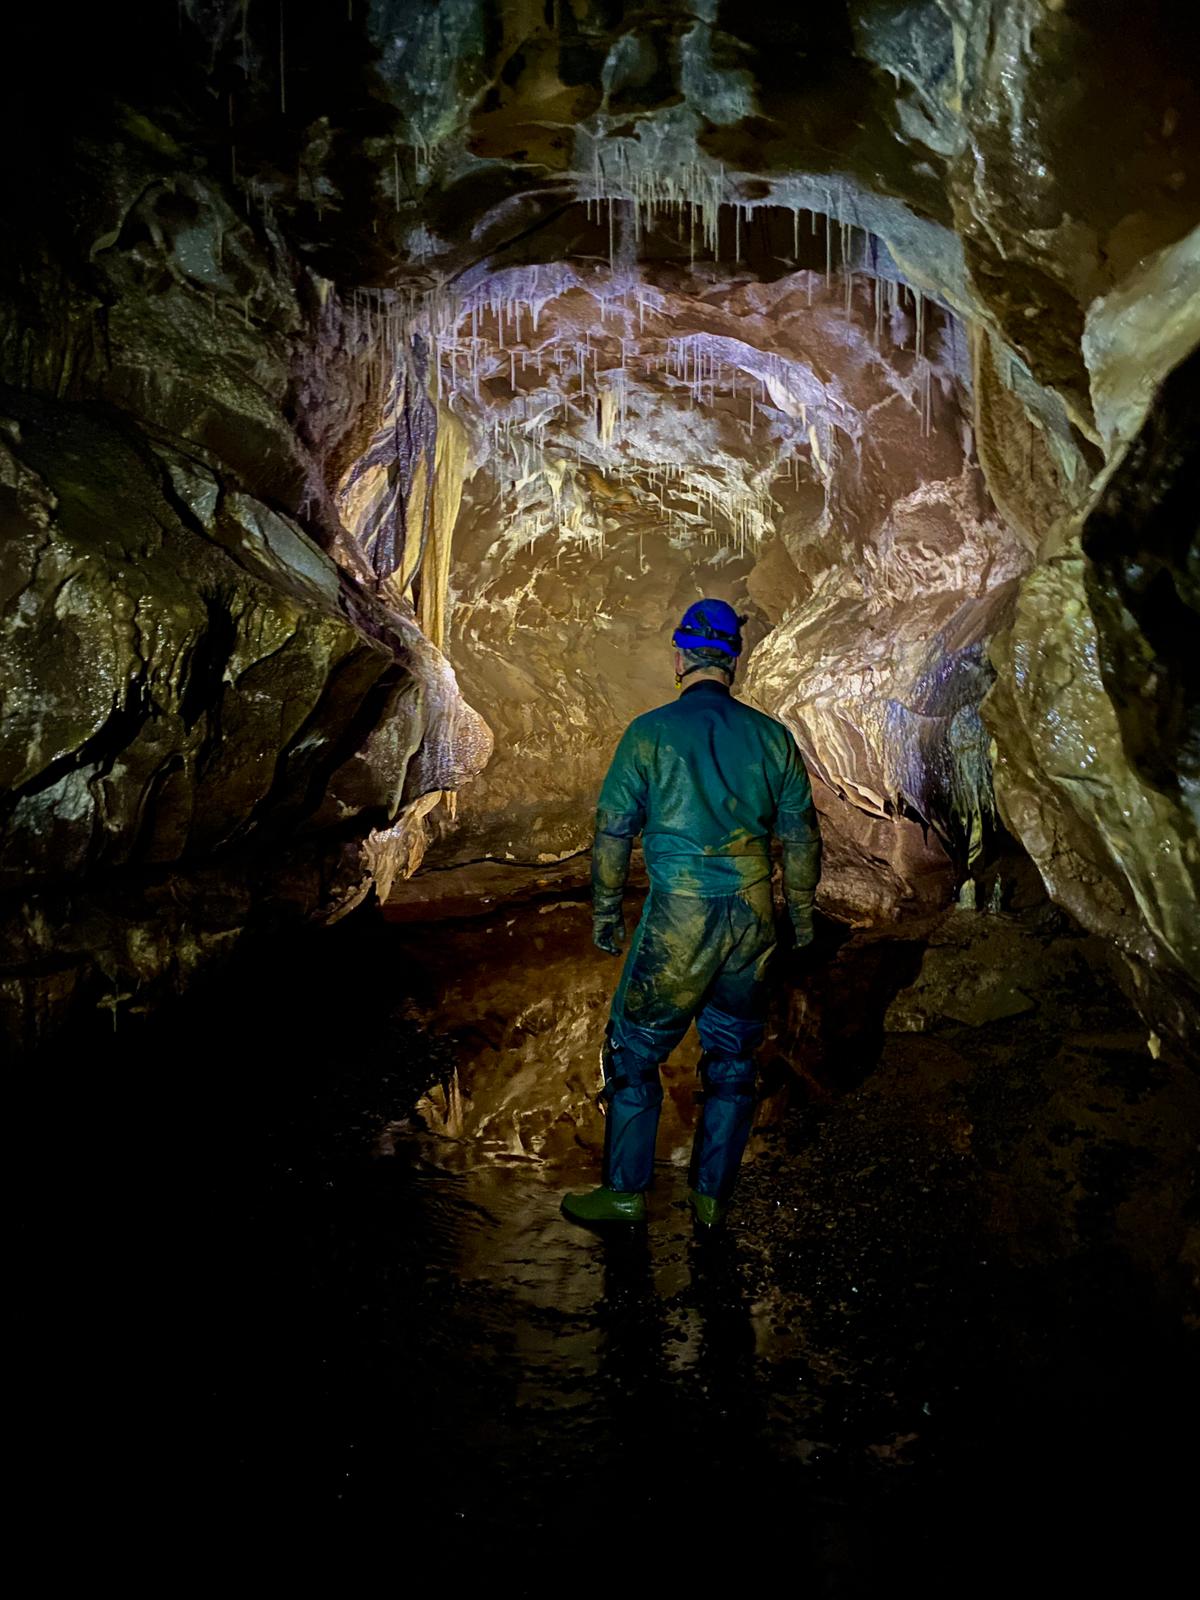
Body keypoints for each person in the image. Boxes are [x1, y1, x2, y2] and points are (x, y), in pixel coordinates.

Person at [562, 598, 822, 1230]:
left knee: (633, 1054)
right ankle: (711, 1199)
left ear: (678, 657)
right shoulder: (772, 738)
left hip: (682, 912)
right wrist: (804, 917)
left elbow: (613, 833)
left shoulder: (650, 733)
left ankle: (626, 1194)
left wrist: (604, 911)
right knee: (734, 1058)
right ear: (734, 661)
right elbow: (802, 837)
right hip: (754, 913)